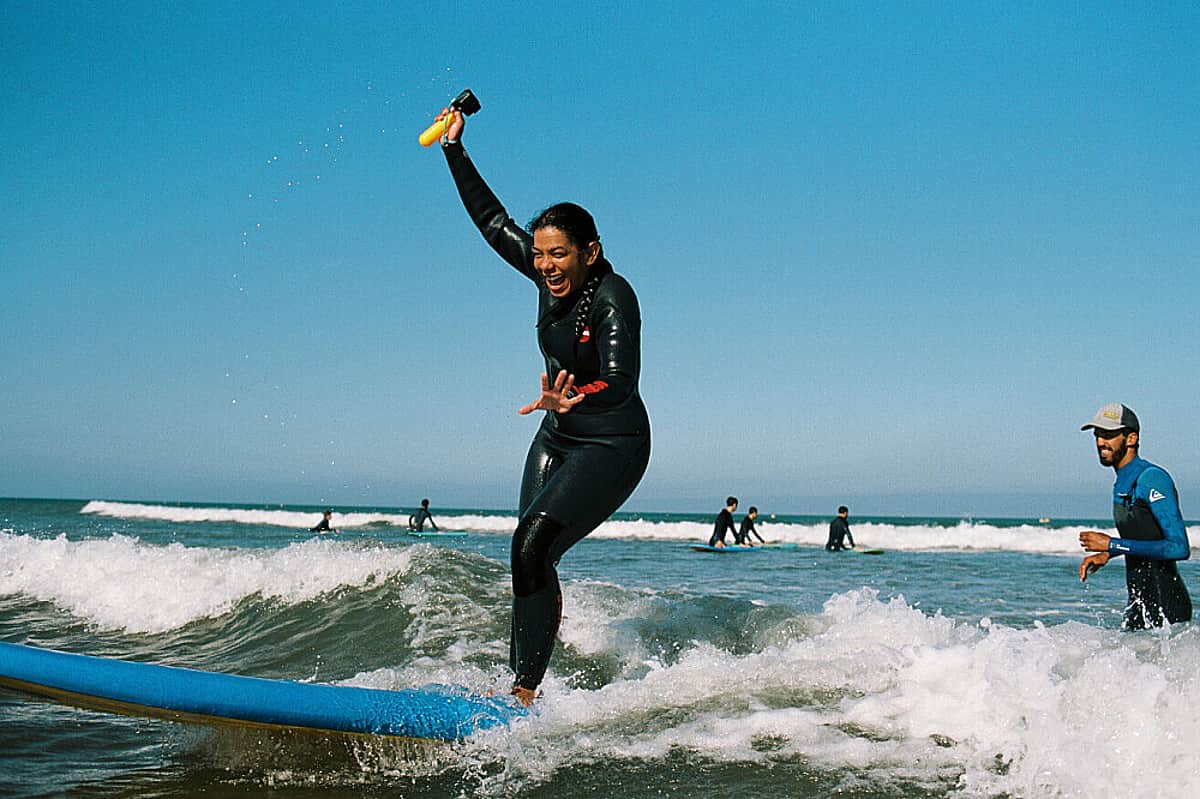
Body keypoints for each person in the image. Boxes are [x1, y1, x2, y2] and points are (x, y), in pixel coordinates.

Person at [435, 107, 651, 705]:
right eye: (540, 255)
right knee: (525, 552)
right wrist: (455, 149)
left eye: (559, 254)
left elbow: (622, 380)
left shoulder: (612, 297)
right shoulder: (545, 278)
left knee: (533, 543)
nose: (546, 265)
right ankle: (519, 687)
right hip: (560, 434)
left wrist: (573, 397)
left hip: (614, 442)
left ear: (589, 251)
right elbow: (491, 222)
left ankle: (524, 694)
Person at [1078, 403, 1192, 629]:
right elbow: (1146, 536)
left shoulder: (1152, 478)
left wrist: (1114, 544)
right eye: (1098, 434)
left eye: (1109, 434)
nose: (1101, 442)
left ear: (1131, 438)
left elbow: (1179, 547)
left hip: (1168, 610)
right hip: (1139, 605)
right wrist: (1108, 553)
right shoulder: (1122, 482)